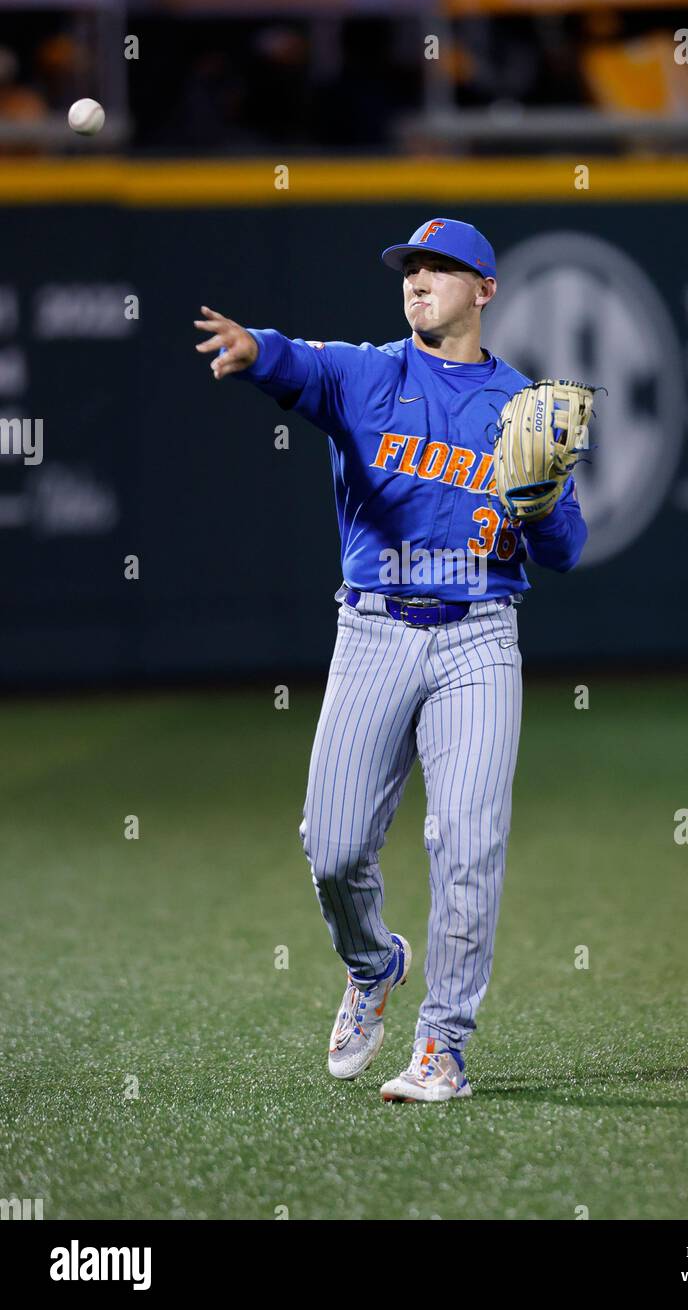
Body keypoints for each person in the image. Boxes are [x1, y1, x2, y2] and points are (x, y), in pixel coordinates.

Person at [193, 218, 587, 1101]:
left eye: (441, 268)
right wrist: (255, 348)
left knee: (467, 844)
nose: (418, 280)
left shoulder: (523, 407)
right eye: (410, 268)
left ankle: (443, 1045)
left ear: (484, 290)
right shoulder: (369, 374)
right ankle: (373, 966)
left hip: (480, 635)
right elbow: (299, 363)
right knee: (331, 848)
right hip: (373, 630)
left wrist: (545, 504)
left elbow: (565, 550)